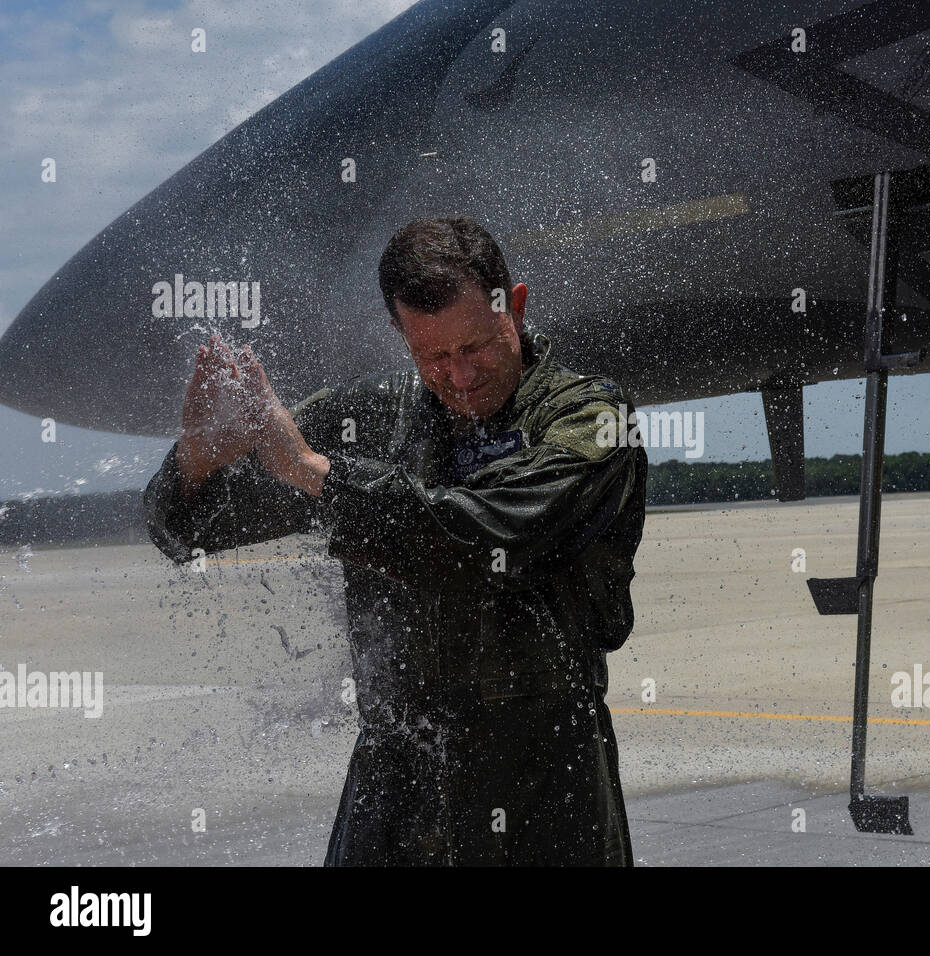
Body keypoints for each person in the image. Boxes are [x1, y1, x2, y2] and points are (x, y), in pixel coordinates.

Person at [143, 216, 648, 865]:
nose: (460, 376)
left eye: (477, 347)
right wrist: (195, 463)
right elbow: (185, 533)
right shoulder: (370, 419)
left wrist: (313, 472)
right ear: (400, 336)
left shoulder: (590, 421)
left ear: (513, 308)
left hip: (540, 779)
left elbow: (482, 536)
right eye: (433, 356)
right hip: (397, 780)